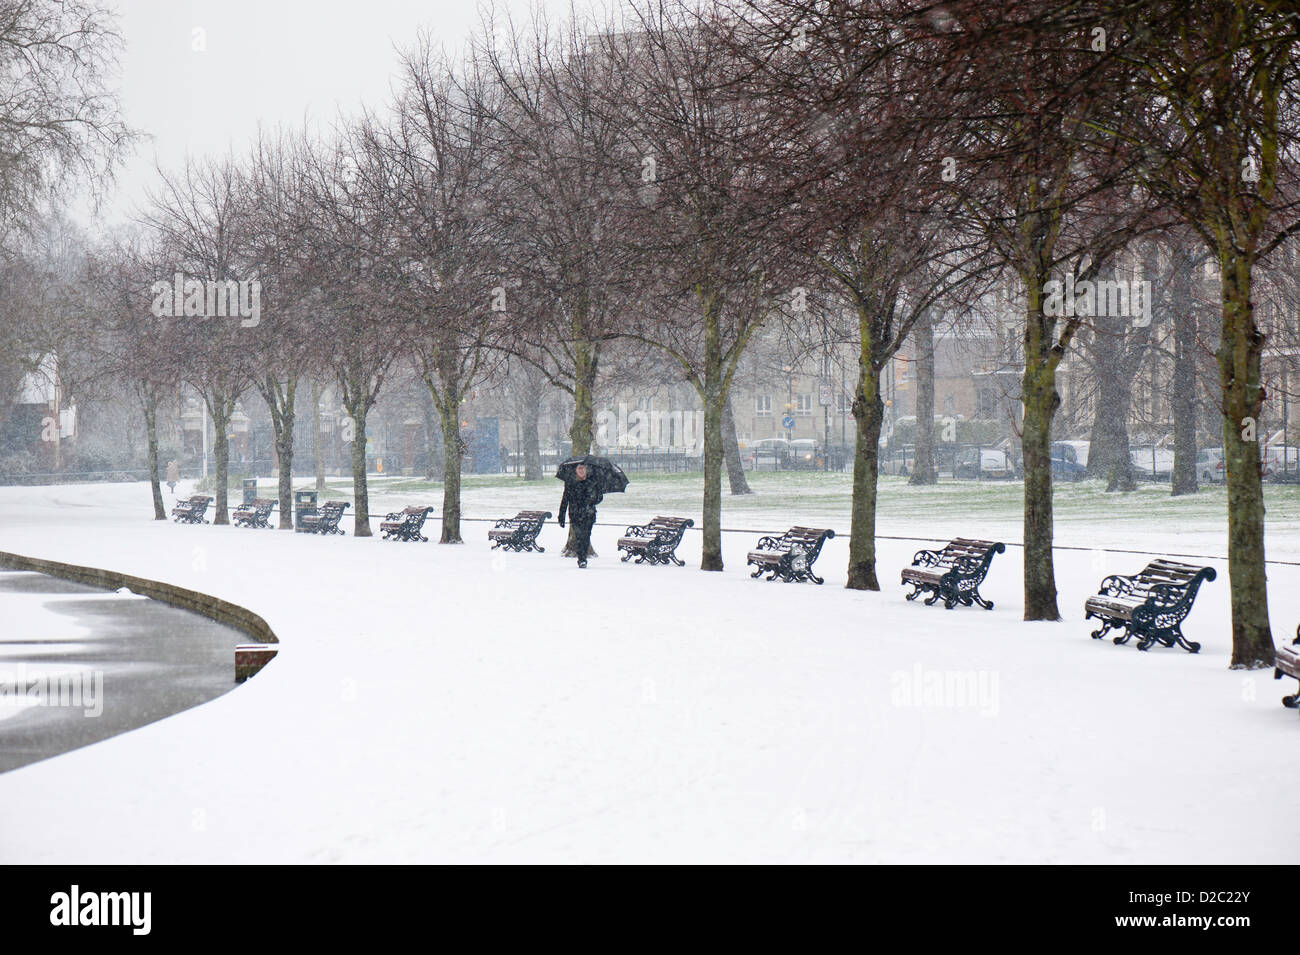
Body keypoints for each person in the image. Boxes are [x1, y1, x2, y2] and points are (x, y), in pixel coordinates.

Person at [558, 463, 602, 569]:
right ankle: (581, 559)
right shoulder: (570, 483)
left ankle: (583, 558)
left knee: (586, 536)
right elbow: (565, 500)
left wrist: (592, 500)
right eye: (579, 468)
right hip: (575, 514)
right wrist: (561, 515)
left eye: (583, 468)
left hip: (589, 514)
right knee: (579, 536)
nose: (582, 471)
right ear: (576, 470)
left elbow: (599, 497)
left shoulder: (592, 481)